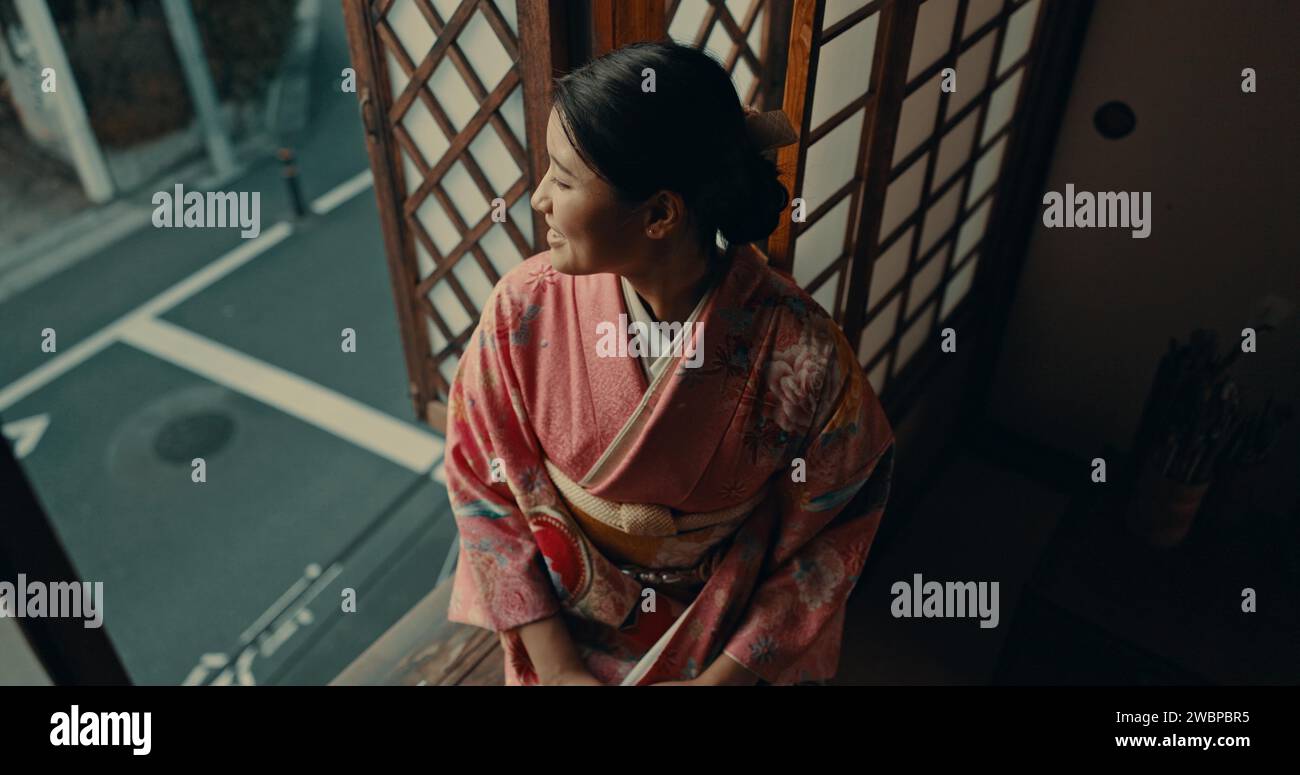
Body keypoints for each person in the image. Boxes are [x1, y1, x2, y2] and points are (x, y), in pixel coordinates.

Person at [444, 40, 895, 685]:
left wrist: (724, 678)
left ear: (659, 213)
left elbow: (838, 526)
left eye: (563, 180)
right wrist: (561, 671)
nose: (538, 197)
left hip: (715, 628)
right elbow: (480, 481)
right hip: (562, 619)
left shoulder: (802, 351)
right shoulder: (523, 308)